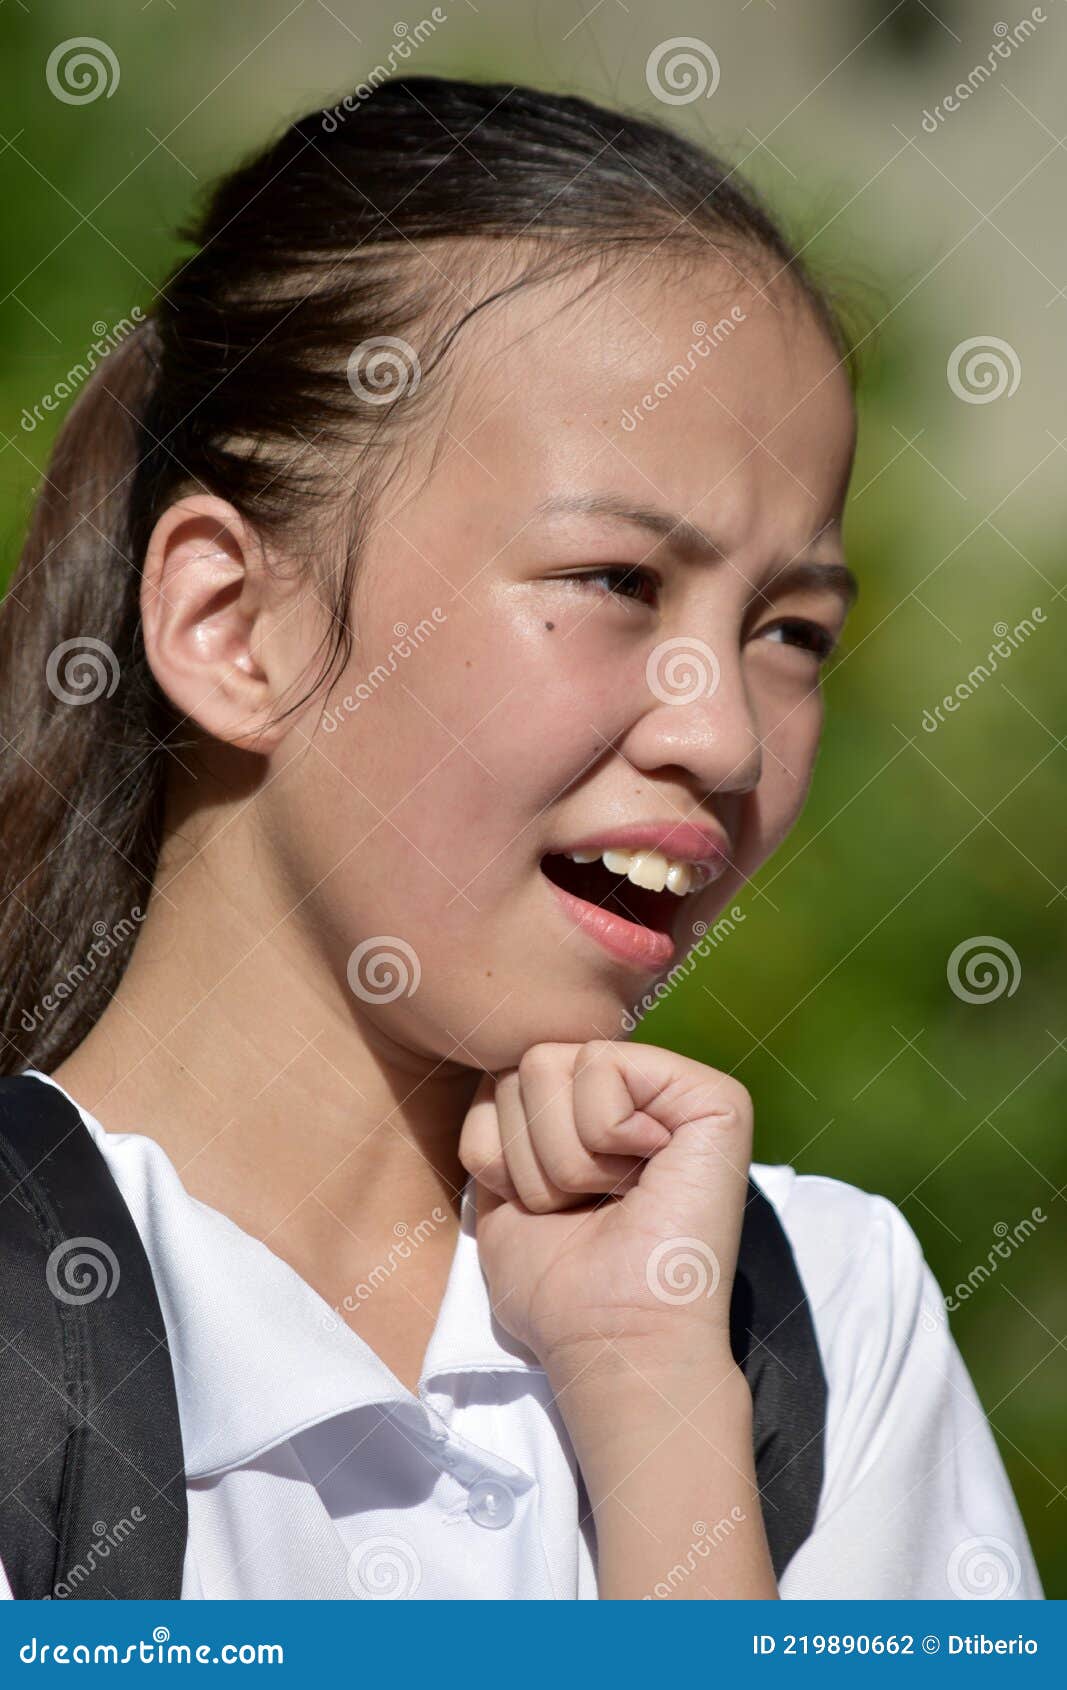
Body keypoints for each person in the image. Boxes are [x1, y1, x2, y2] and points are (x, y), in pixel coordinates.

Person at [0, 75, 1041, 1601]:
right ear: (232, 621)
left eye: (792, 629)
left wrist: (663, 1412)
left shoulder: (817, 1313)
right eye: (619, 577)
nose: (727, 736)